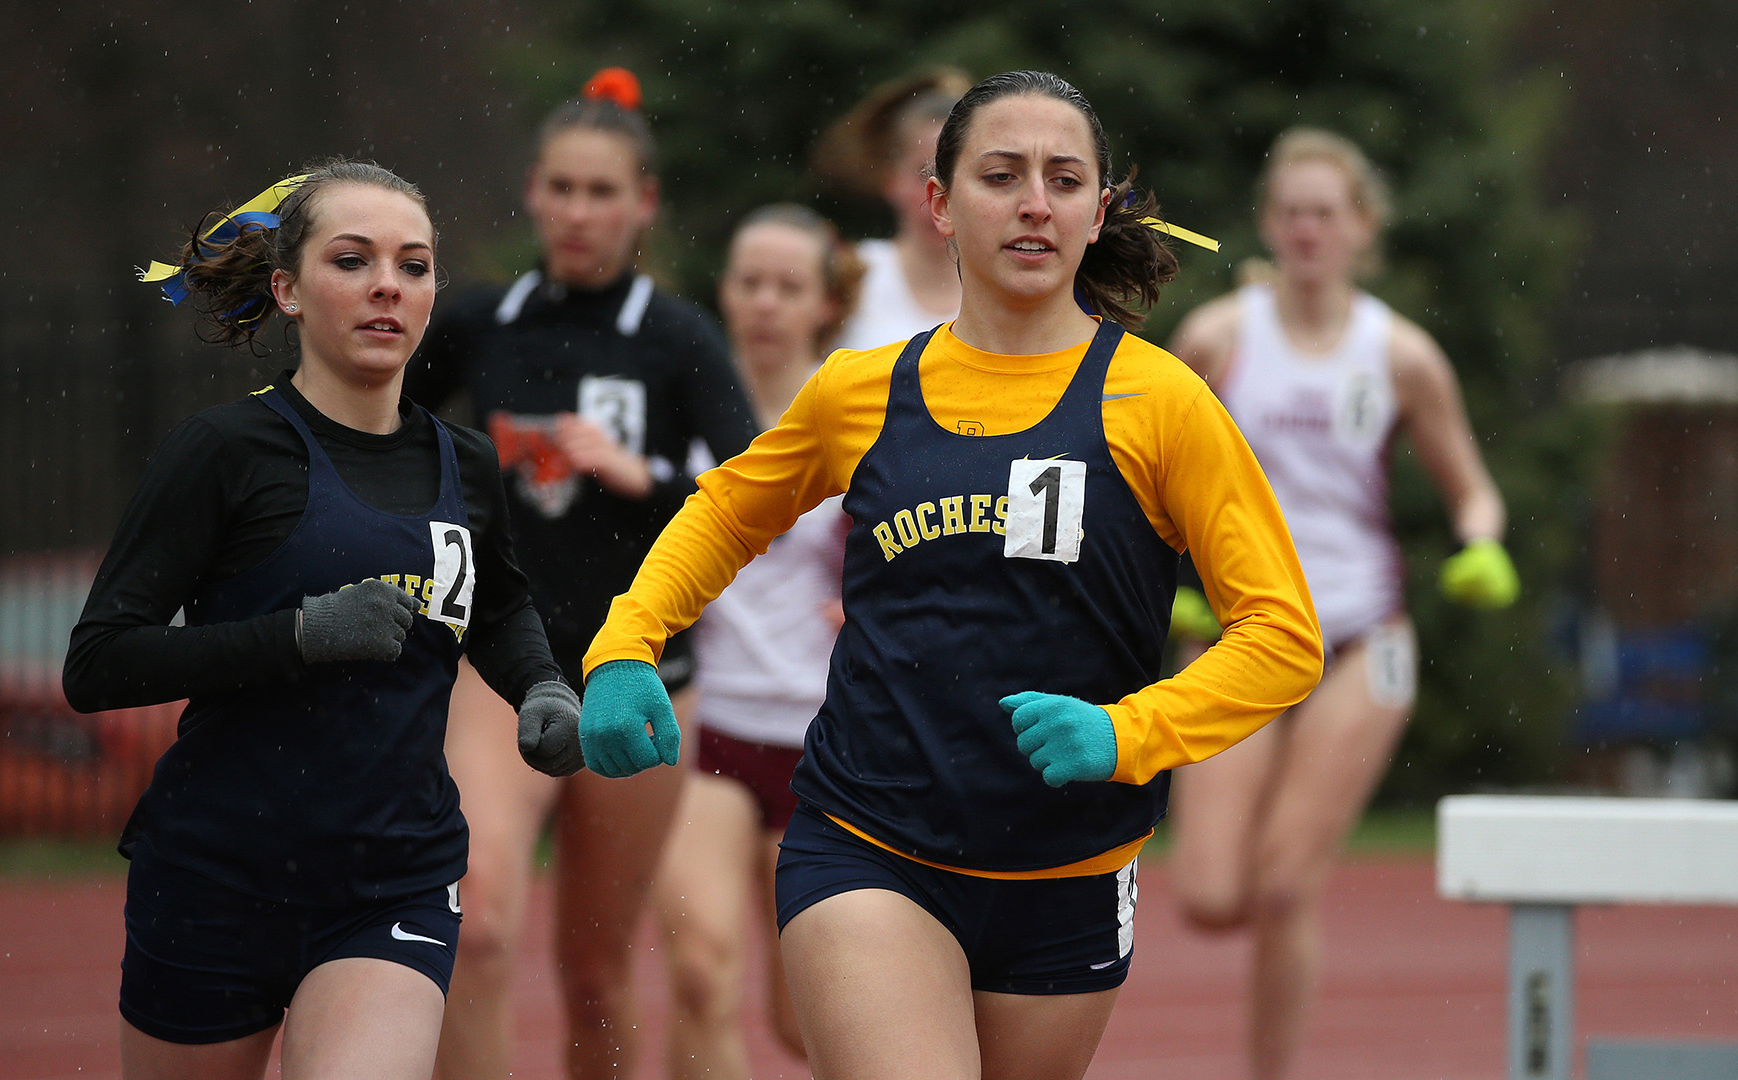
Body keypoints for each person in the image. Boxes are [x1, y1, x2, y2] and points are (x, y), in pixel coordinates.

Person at [577, 70, 1326, 1080]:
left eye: (1064, 180)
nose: (1032, 203)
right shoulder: (860, 389)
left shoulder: (1163, 404)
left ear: (1097, 211)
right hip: (868, 840)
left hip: (1069, 872)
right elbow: (721, 512)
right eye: (1000, 175)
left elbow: (1284, 637)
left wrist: (1129, 732)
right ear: (938, 203)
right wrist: (626, 645)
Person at [64, 160, 580, 1080]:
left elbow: (496, 605)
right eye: (353, 260)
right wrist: (297, 637)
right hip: (217, 879)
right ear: (287, 291)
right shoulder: (223, 452)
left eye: (414, 266)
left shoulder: (465, 462)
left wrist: (542, 685)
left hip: (396, 877)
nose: (389, 284)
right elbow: (98, 663)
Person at [402, 68, 758, 1080]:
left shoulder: (678, 338)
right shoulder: (480, 322)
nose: (578, 211)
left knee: (597, 972)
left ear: (643, 201)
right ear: (533, 190)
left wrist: (636, 472)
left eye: (602, 191)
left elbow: (748, 492)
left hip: (637, 670)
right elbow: (377, 426)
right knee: (475, 926)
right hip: (499, 662)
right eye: (561, 187)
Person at [1163, 127, 1520, 1080]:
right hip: (1241, 628)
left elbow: (1472, 488)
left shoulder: (1399, 354)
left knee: (1284, 888)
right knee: (1205, 896)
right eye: (1292, 212)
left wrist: (1480, 544)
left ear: (1363, 228)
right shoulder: (1218, 339)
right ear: (1268, 224)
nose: (1308, 230)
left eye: (1327, 213)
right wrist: (1174, 574)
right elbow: (1146, 466)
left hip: (1361, 639)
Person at [652, 204, 863, 1080]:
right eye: (750, 282)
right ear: (724, 293)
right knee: (700, 974)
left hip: (826, 743)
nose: (766, 302)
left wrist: (873, 605)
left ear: (824, 304)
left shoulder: (857, 410)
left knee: (806, 1019)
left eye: (789, 286)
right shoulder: (682, 406)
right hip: (705, 724)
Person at [811, 67, 968, 351]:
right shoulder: (853, 276)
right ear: (889, 179)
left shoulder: (1008, 282)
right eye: (924, 174)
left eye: (953, 174)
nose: (939, 195)